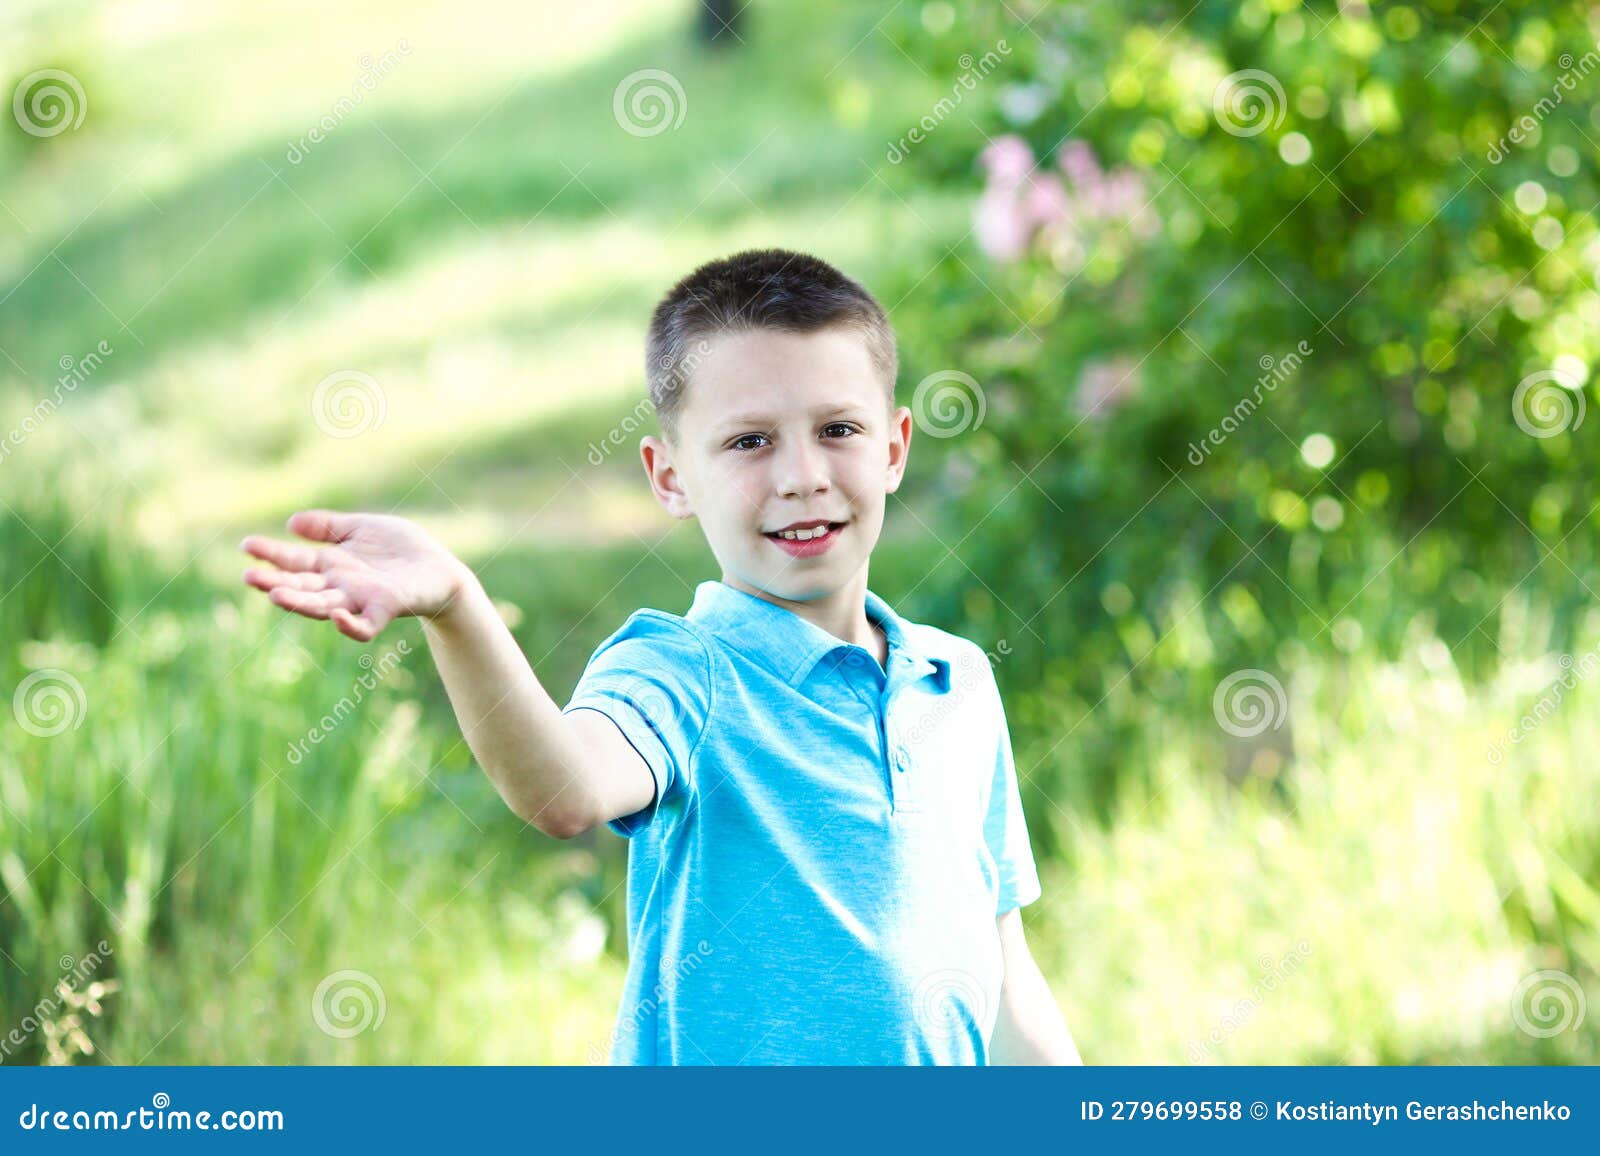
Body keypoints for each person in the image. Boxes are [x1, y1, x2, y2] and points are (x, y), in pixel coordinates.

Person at [240, 248, 1081, 1065]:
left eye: (838, 429)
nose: (801, 475)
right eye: (749, 441)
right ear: (671, 475)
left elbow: (1006, 980)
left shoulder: (956, 683)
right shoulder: (680, 672)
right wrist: (460, 609)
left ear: (894, 449)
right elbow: (563, 789)